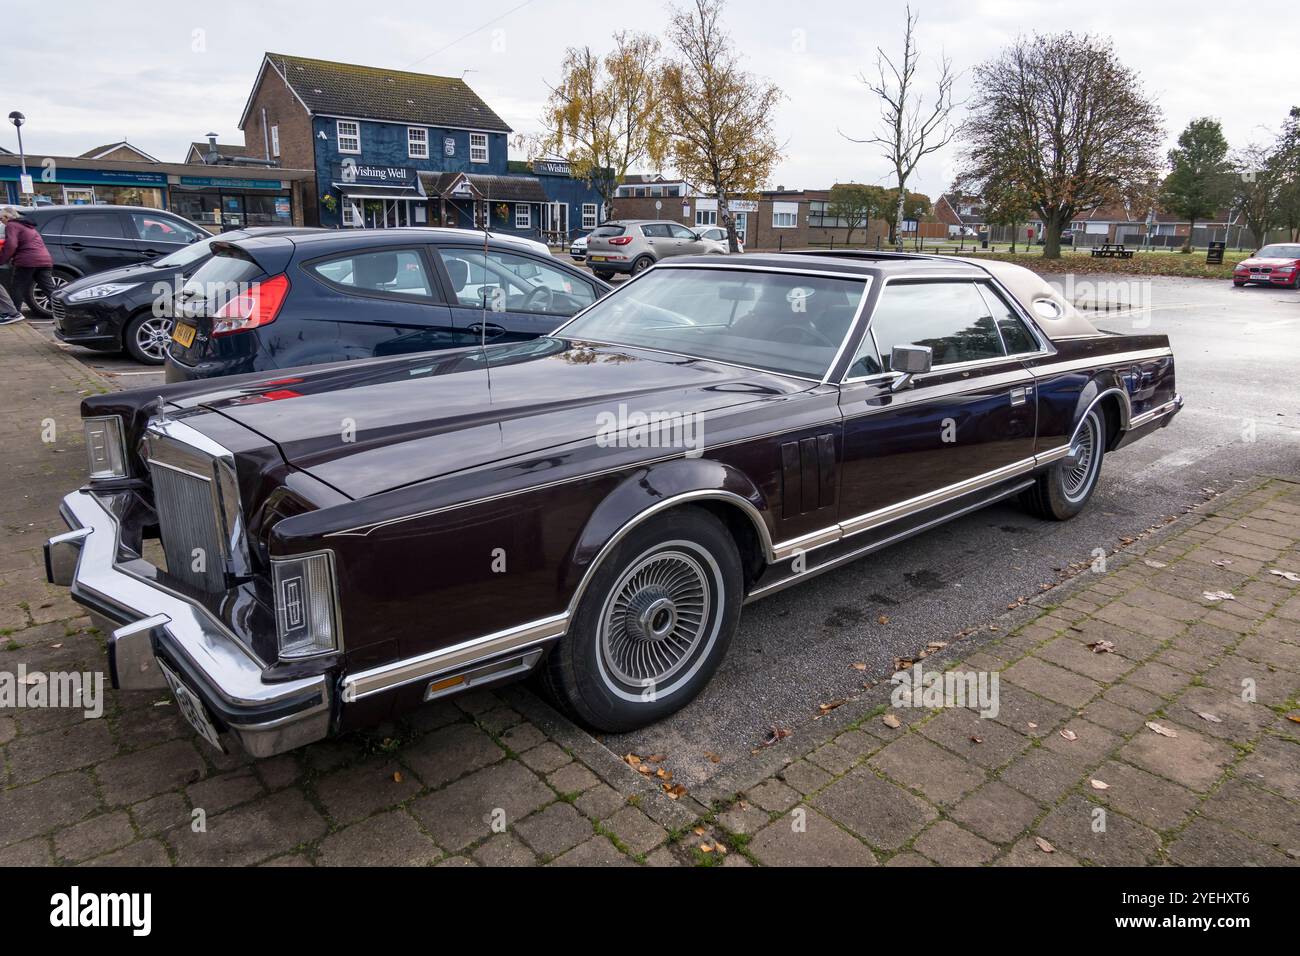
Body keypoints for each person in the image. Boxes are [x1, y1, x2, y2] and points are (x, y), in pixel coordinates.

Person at [0, 206, 55, 322]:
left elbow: (11, 245)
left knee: (17, 287)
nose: (1, 222)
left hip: (27, 261)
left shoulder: (12, 225)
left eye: (1, 219)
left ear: (6, 217)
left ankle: (14, 314)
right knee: (49, 289)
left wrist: (2, 260)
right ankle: (65, 312)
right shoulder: (27, 225)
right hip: (45, 260)